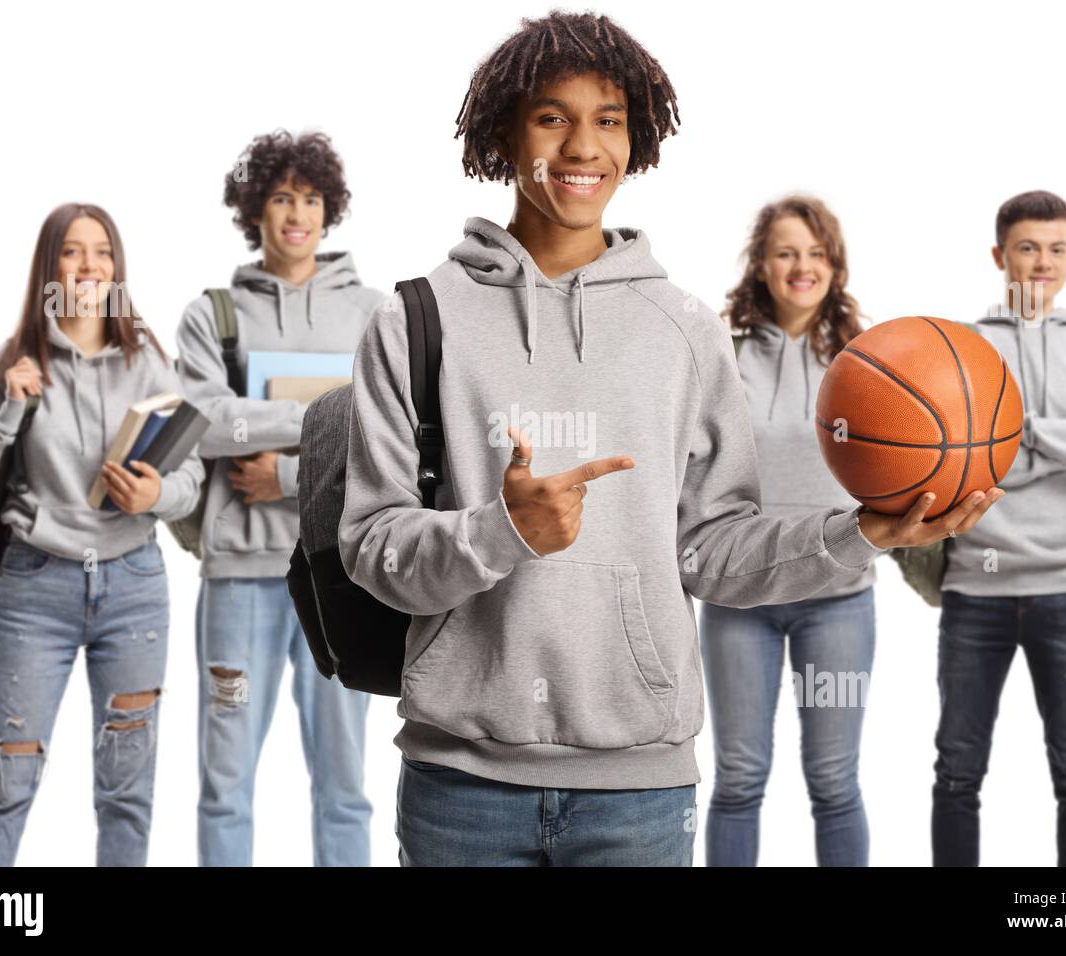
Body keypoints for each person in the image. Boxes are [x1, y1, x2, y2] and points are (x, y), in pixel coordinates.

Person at [338, 9, 1002, 867]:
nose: (583, 146)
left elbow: (714, 547)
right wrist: (500, 531)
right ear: (504, 132)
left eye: (607, 120)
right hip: (460, 786)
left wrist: (863, 532)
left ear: (636, 137)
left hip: (641, 794)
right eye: (552, 117)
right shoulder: (414, 321)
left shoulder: (685, 329)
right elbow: (371, 544)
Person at [0, 203, 203, 866]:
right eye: (72, 251)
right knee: (7, 779)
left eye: (102, 252)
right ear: (50, 266)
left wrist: (156, 495)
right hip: (37, 591)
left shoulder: (146, 358)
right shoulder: (16, 359)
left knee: (126, 793)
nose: (89, 265)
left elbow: (192, 479)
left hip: (135, 591)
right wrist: (11, 407)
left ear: (117, 268)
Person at [175, 130, 382, 867]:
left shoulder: (373, 314)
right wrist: (324, 416)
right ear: (254, 209)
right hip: (239, 579)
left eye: (312, 199)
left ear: (331, 211)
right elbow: (198, 420)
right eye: (282, 197)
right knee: (225, 781)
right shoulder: (214, 315)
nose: (298, 213)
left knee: (345, 783)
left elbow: (391, 439)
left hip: (339, 574)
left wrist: (289, 474)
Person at [932, 189, 1066, 867]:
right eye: (1027, 247)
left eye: (1056, 248)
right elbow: (959, 461)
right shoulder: (967, 345)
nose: (1042, 262)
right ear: (1000, 255)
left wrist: (1015, 436)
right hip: (975, 591)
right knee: (958, 772)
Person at [702, 195, 877, 866]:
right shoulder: (722, 351)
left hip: (837, 598)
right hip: (738, 599)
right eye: (785, 252)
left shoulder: (869, 359)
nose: (801, 266)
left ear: (833, 264)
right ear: (762, 264)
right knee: (740, 780)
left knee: (834, 782)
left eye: (815, 252)